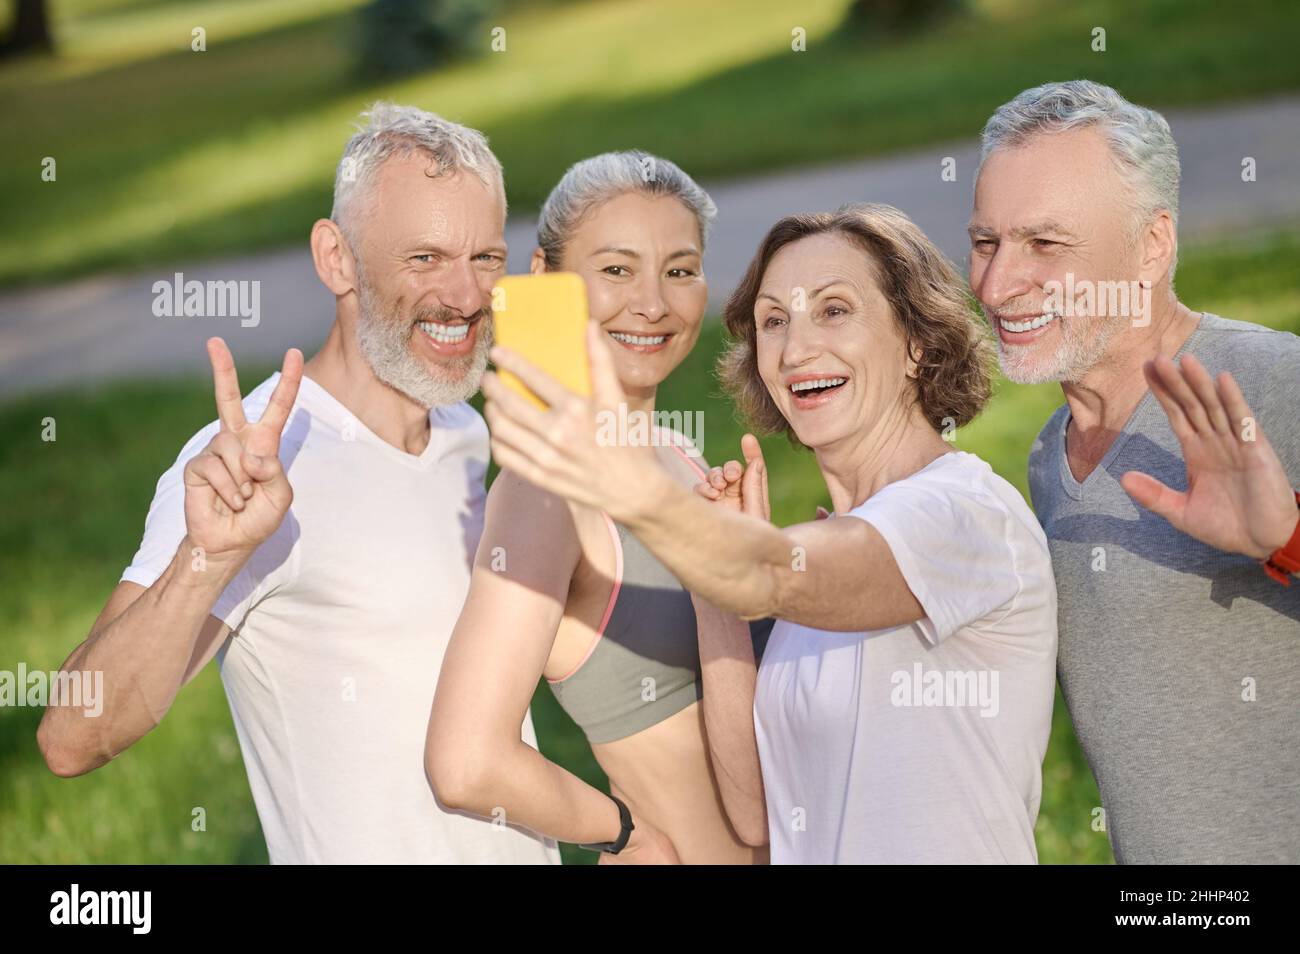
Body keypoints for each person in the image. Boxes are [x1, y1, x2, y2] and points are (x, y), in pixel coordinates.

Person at [36, 102, 559, 865]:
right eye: (425, 258)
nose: (467, 295)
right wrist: (207, 559)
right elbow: (71, 738)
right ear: (336, 258)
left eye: (484, 257)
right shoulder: (258, 461)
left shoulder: (464, 434)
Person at [480, 203, 1060, 863]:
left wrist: (638, 492)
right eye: (774, 321)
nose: (796, 347)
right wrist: (717, 588)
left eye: (835, 311)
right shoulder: (810, 591)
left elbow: (777, 572)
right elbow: (759, 813)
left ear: (916, 341)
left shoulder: (963, 514)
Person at [969, 79, 1300, 863]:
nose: (996, 284)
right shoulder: (1049, 457)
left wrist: (1287, 535)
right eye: (987, 242)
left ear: (1151, 246)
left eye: (1045, 245)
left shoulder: (1275, 385)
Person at [426, 151, 768, 864]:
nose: (652, 304)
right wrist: (621, 832)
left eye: (680, 270)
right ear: (546, 279)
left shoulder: (679, 455)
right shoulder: (545, 491)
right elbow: (465, 762)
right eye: (616, 270)